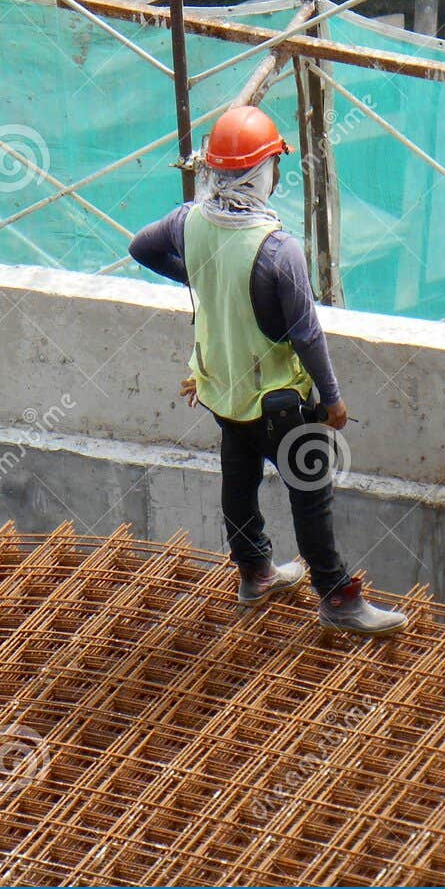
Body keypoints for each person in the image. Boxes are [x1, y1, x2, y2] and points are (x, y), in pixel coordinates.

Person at [129, 104, 407, 636]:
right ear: (263, 174)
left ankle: (254, 570)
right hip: (280, 400)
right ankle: (337, 597)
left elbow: (141, 247)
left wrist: (200, 275)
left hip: (221, 388)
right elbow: (306, 333)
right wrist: (333, 399)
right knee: (311, 493)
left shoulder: (189, 222)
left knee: (239, 479)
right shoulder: (278, 249)